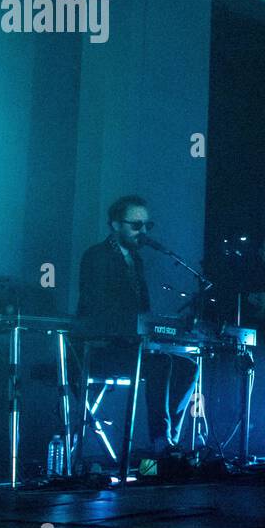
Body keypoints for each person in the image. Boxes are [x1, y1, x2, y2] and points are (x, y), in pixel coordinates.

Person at [76, 195, 199, 457]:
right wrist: (136, 327)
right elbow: (97, 309)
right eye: (136, 225)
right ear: (115, 225)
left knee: (188, 366)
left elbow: (142, 311)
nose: (142, 232)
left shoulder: (136, 260)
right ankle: (160, 441)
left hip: (130, 346)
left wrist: (155, 328)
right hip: (100, 348)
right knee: (161, 363)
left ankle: (170, 441)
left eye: (146, 226)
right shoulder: (96, 256)